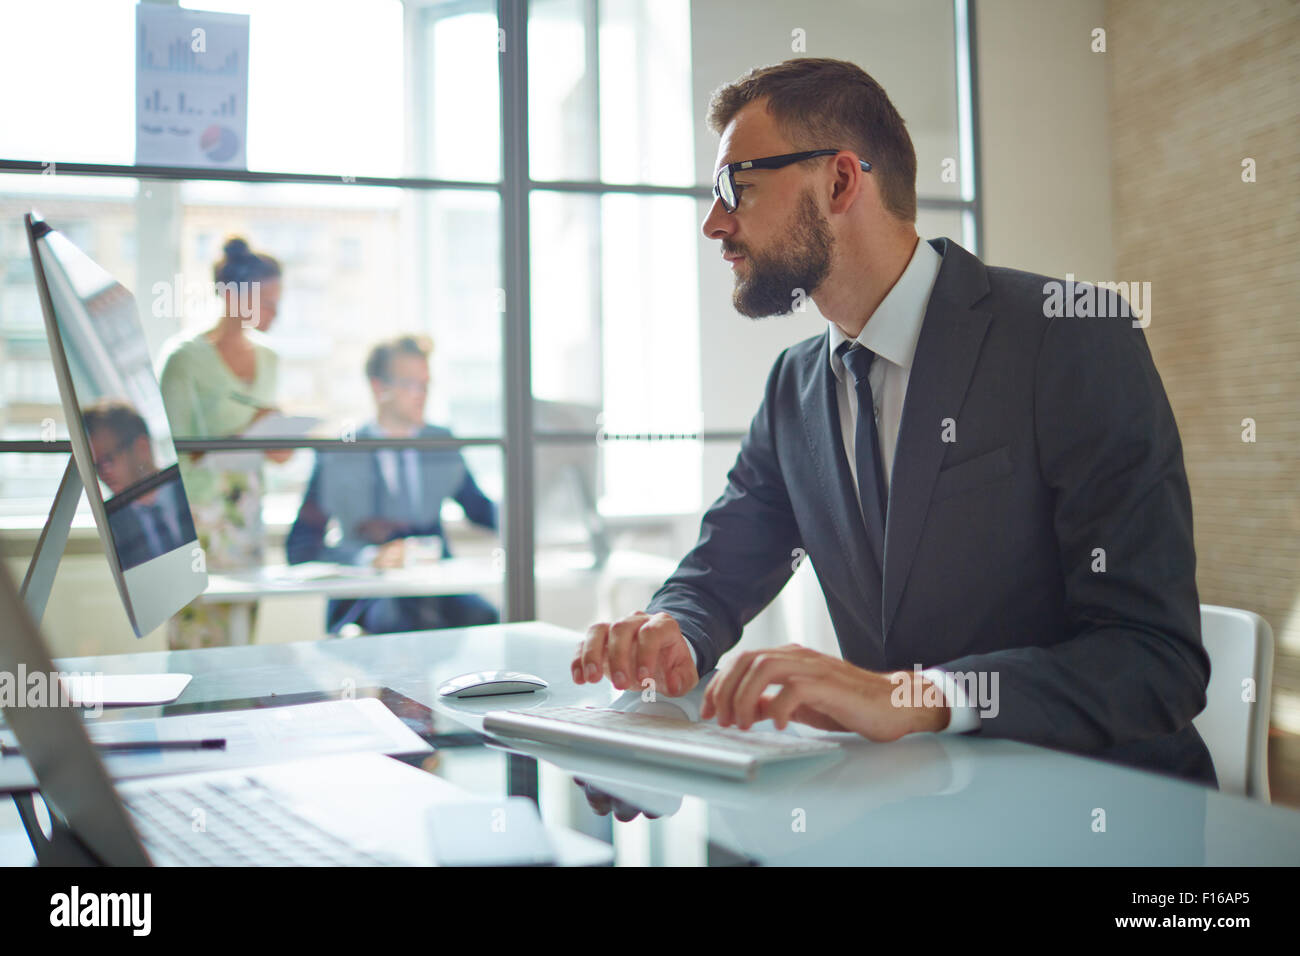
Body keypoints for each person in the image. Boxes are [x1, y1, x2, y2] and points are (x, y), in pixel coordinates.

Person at [571, 57, 1217, 787]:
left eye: (737, 187)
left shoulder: (1069, 335)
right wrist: (674, 631)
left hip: (1100, 814)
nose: (715, 222)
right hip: (909, 803)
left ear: (842, 180)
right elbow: (720, 572)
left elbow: (1154, 658)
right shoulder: (796, 385)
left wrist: (913, 695)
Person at [286, 334, 500, 634]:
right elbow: (301, 548)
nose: (421, 395)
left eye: (425, 385)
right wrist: (370, 557)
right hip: (368, 595)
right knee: (397, 618)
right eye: (411, 384)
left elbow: (480, 509)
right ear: (379, 387)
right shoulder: (340, 454)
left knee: (486, 616)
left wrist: (537, 514)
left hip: (434, 589)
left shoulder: (440, 443)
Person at [158, 236, 291, 649]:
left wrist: (277, 442)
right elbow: (171, 450)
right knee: (197, 638)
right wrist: (245, 432)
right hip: (199, 519)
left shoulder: (270, 358)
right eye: (267, 302)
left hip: (248, 515)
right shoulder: (184, 358)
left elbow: (268, 446)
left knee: (240, 640)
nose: (276, 312)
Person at [83, 400, 196, 571]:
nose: (102, 473)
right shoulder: (112, 524)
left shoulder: (193, 486)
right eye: (95, 465)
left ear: (142, 448)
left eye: (107, 459)